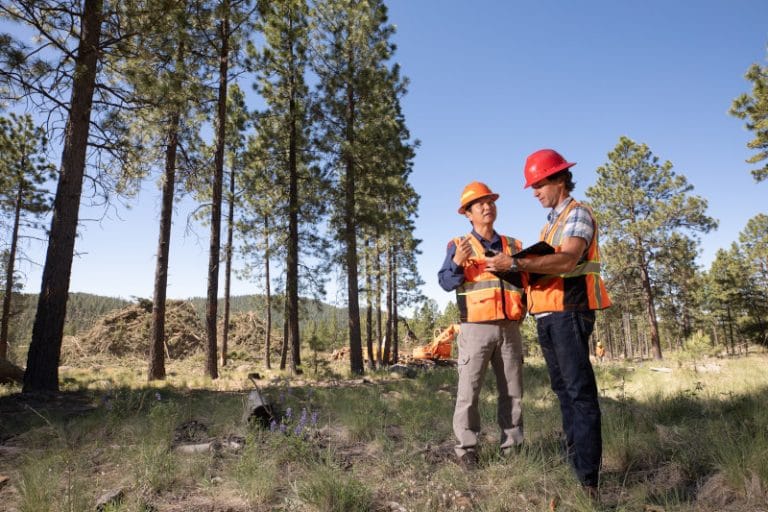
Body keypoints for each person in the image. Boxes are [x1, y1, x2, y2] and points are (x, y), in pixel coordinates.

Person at [486, 149, 611, 495]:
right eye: (533, 186)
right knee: (564, 394)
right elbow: (543, 271)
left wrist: (517, 264)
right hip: (548, 316)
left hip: (569, 313)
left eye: (539, 184)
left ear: (559, 179)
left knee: (579, 394)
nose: (535, 191)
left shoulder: (577, 215)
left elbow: (567, 261)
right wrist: (514, 272)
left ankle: (589, 481)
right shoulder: (550, 224)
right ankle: (578, 469)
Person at [438, 181, 527, 470]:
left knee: (512, 391)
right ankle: (467, 451)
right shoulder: (459, 245)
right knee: (469, 392)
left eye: (490, 202)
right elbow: (446, 282)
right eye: (480, 204)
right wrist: (457, 262)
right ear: (468, 213)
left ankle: (512, 449)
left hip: (510, 329)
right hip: (475, 329)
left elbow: (526, 284)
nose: (487, 207)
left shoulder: (514, 246)